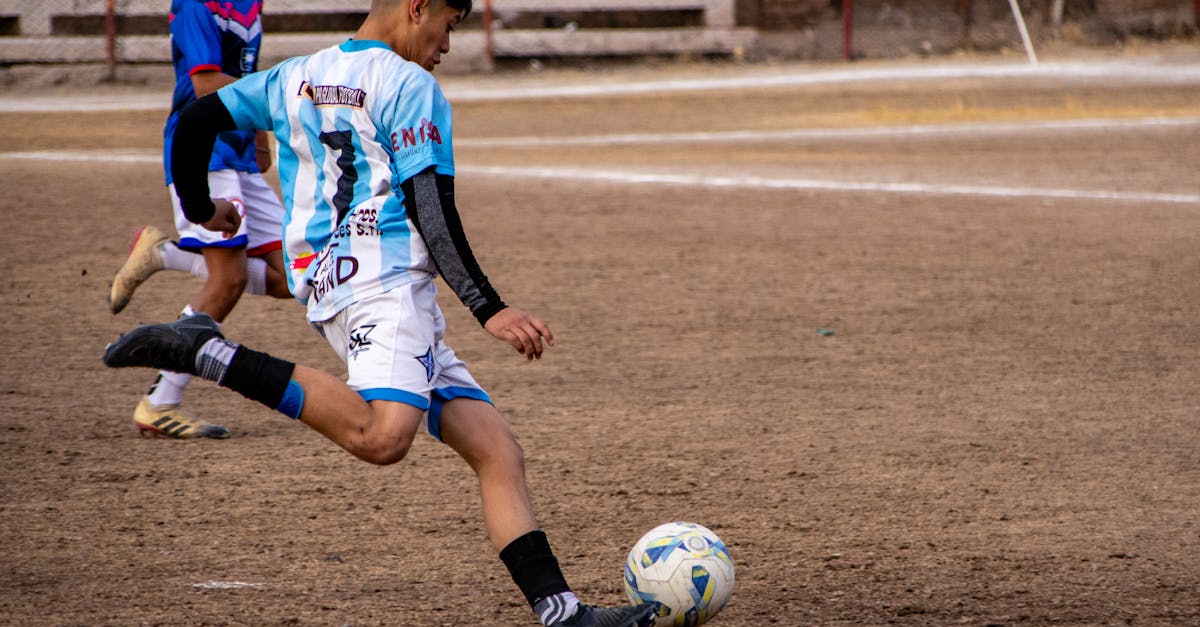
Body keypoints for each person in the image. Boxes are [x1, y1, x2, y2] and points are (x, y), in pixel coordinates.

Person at [103, 0, 655, 625]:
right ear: (417, 8)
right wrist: (489, 308)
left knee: (496, 448)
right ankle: (204, 351)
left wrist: (201, 209)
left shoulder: (296, 74)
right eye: (449, 25)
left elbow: (199, 114)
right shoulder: (410, 85)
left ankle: (562, 612)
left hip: (333, 281)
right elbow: (430, 207)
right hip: (384, 284)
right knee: (384, 436)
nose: (448, 44)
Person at [108, 0, 292, 439]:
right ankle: (159, 402)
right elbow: (207, 82)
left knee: (298, 275)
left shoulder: (250, 3)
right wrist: (285, 95)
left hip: (239, 152)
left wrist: (259, 132)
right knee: (226, 281)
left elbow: (244, 77)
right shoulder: (196, 4)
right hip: (203, 151)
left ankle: (166, 255)